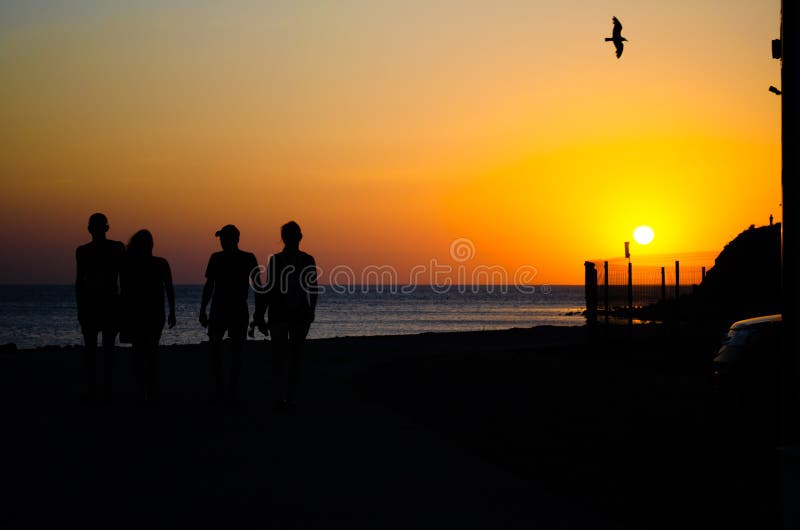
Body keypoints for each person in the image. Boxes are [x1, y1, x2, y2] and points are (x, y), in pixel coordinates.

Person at [253, 221, 318, 410]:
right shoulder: (276, 260)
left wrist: (311, 310)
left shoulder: (307, 259)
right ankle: (282, 396)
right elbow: (270, 288)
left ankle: (289, 396)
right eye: (289, 234)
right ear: (286, 238)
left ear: (299, 237)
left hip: (299, 314)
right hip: (280, 314)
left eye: (294, 234)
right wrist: (260, 315)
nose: (292, 238)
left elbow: (312, 288)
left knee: (294, 356)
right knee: (281, 357)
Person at [200, 224, 259, 402]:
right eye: (221, 238)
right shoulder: (218, 258)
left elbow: (258, 286)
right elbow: (209, 285)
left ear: (235, 239)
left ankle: (230, 388)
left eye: (224, 238)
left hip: (233, 309)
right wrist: (203, 309)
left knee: (234, 351)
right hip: (223, 309)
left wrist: (259, 312)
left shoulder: (245, 258)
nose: (222, 241)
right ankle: (223, 388)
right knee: (220, 350)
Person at [120, 230, 176, 403]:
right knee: (149, 352)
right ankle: (149, 391)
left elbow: (124, 291)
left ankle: (146, 391)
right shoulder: (157, 264)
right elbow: (169, 289)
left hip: (144, 314)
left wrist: (172, 311)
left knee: (142, 352)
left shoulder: (132, 265)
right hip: (148, 314)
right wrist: (172, 311)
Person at [75, 213, 125, 403]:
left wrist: (80, 307)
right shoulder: (114, 248)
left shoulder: (86, 251)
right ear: (106, 228)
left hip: (102, 304)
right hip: (101, 304)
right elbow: (79, 281)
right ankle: (102, 389)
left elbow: (79, 282)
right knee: (104, 349)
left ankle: (99, 389)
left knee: (98, 350)